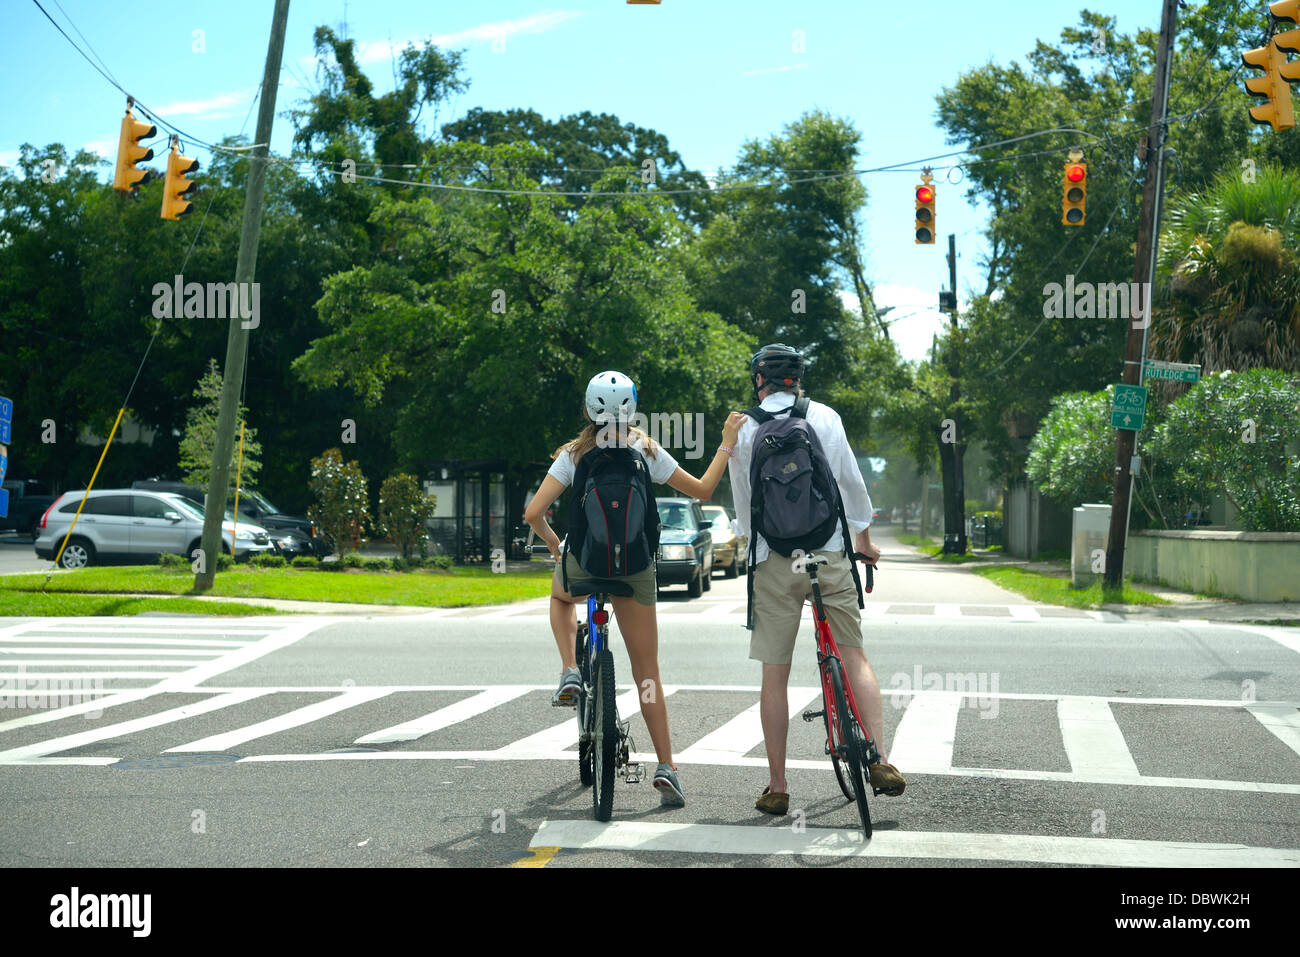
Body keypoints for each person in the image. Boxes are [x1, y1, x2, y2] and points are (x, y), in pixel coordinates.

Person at [524, 371, 745, 807]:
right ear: (633, 407)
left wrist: (555, 546)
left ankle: (570, 669)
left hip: (585, 562)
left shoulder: (574, 453)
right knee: (647, 673)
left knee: (559, 597)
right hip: (635, 568)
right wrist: (725, 443)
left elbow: (534, 512)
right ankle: (667, 767)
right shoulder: (646, 448)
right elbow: (702, 490)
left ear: (588, 408)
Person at [726, 344, 906, 815]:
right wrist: (862, 541)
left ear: (758, 381)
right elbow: (851, 484)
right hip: (828, 550)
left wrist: (753, 546)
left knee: (775, 673)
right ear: (798, 380)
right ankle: (882, 758)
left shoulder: (742, 428)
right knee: (853, 654)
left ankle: (778, 784)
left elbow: (744, 507)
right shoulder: (825, 417)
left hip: (775, 559)